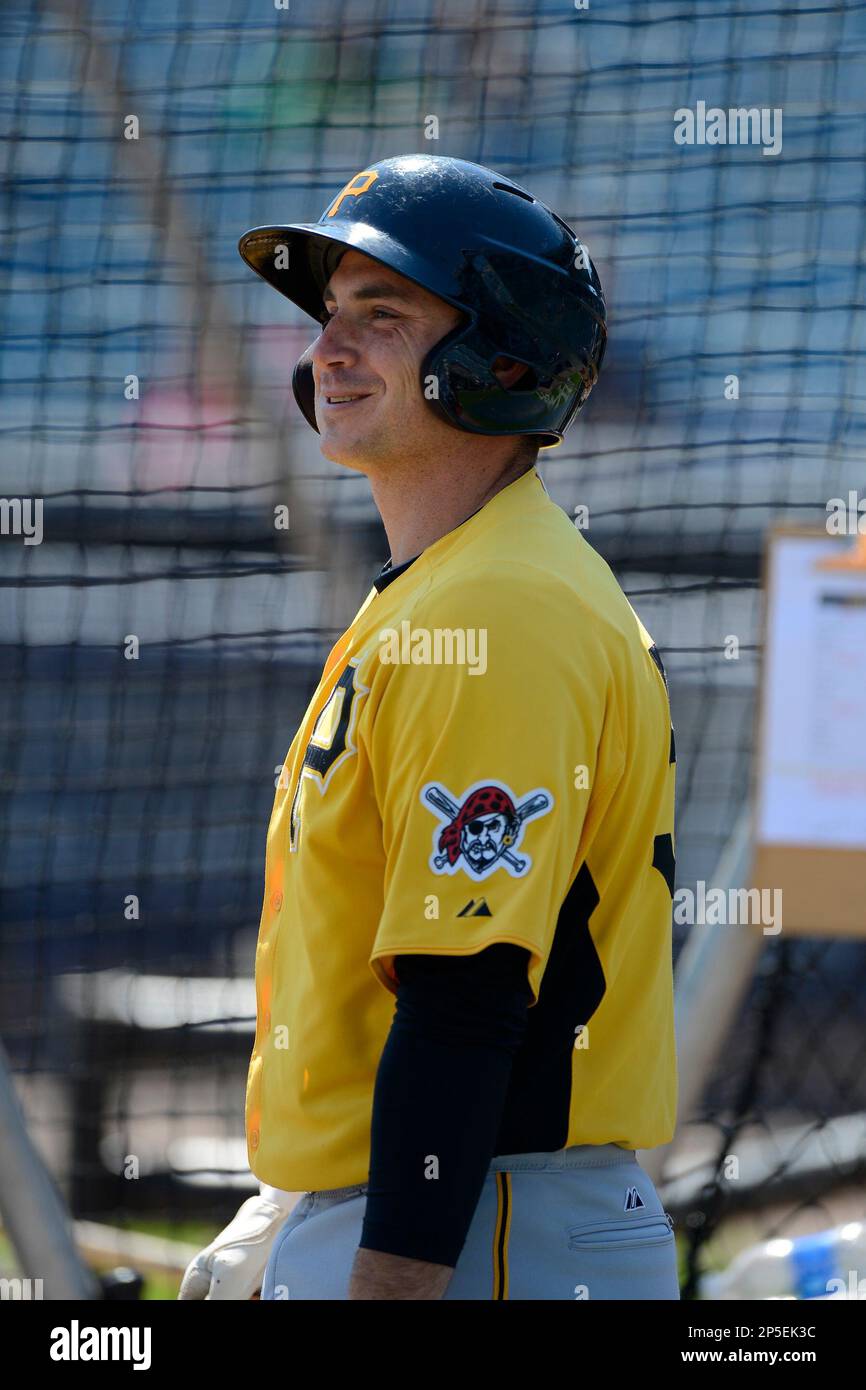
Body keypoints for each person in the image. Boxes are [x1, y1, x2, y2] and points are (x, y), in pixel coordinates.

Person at [179, 154, 678, 1301]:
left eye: (385, 314)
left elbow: (465, 996)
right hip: (454, 1211)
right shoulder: (454, 584)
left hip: (482, 1230)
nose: (328, 350)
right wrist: (301, 1200)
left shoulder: (495, 608)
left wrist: (386, 1277)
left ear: (498, 359)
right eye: (331, 315)